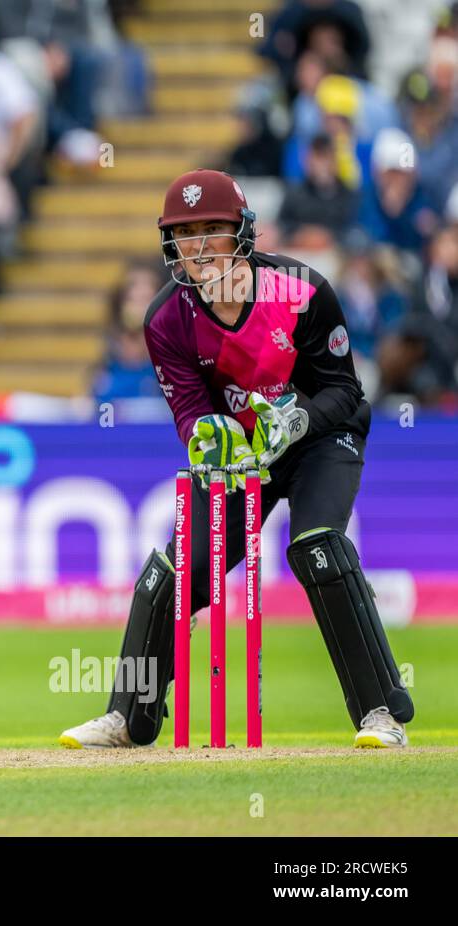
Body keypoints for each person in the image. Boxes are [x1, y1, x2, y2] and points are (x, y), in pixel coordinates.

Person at [59, 169, 414, 750]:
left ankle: (380, 713)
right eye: (185, 232)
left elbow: (345, 391)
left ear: (242, 232)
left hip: (321, 439)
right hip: (244, 451)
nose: (199, 246)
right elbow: (189, 408)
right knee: (175, 570)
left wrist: (299, 419)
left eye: (212, 230)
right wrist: (207, 437)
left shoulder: (300, 289)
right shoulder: (165, 318)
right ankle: (128, 715)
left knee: (317, 546)